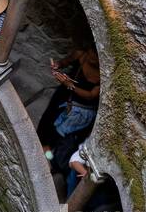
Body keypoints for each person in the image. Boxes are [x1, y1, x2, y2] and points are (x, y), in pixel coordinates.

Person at [38, 47, 100, 180]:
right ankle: (48, 158)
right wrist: (58, 65)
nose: (93, 59)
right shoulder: (81, 53)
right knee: (48, 128)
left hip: (79, 112)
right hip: (64, 99)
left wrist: (70, 85)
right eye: (92, 55)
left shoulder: (102, 73)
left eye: (96, 57)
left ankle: (51, 161)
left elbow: (91, 95)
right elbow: (65, 61)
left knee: (61, 137)